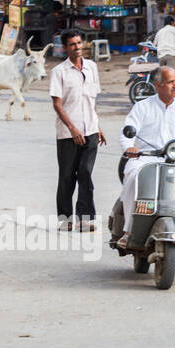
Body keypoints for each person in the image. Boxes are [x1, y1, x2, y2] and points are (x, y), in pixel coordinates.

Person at [117, 66, 175, 240]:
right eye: (170, 82)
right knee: (133, 180)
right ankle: (128, 231)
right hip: (145, 159)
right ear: (158, 85)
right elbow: (127, 130)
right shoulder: (142, 106)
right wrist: (129, 147)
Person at [49, 28, 105, 232]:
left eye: (79, 43)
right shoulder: (59, 72)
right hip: (67, 134)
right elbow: (57, 104)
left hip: (90, 130)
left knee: (85, 172)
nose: (78, 47)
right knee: (66, 176)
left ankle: (85, 218)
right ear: (65, 48)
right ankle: (65, 219)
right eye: (73, 44)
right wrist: (72, 128)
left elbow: (92, 101)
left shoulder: (92, 68)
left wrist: (98, 126)